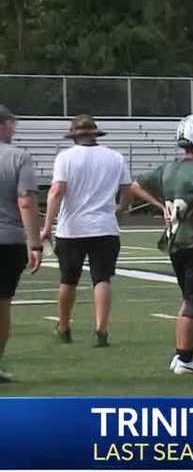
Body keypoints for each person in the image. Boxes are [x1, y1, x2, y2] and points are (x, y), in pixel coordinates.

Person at [129, 115, 193, 374]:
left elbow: (135, 185)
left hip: (175, 242)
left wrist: (160, 206)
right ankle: (185, 359)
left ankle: (180, 355)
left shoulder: (168, 168)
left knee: (188, 297)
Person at [39, 115, 130, 347]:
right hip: (105, 226)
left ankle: (64, 325)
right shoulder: (115, 157)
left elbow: (57, 191)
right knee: (102, 278)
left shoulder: (66, 157)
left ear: (74, 136)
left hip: (72, 228)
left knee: (68, 280)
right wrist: (119, 209)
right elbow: (126, 189)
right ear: (95, 134)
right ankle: (101, 329)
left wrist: (47, 225)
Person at [0, 106, 42, 381]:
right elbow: (25, 201)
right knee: (2, 303)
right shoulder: (17, 157)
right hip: (8, 239)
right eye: (12, 124)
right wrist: (35, 243)